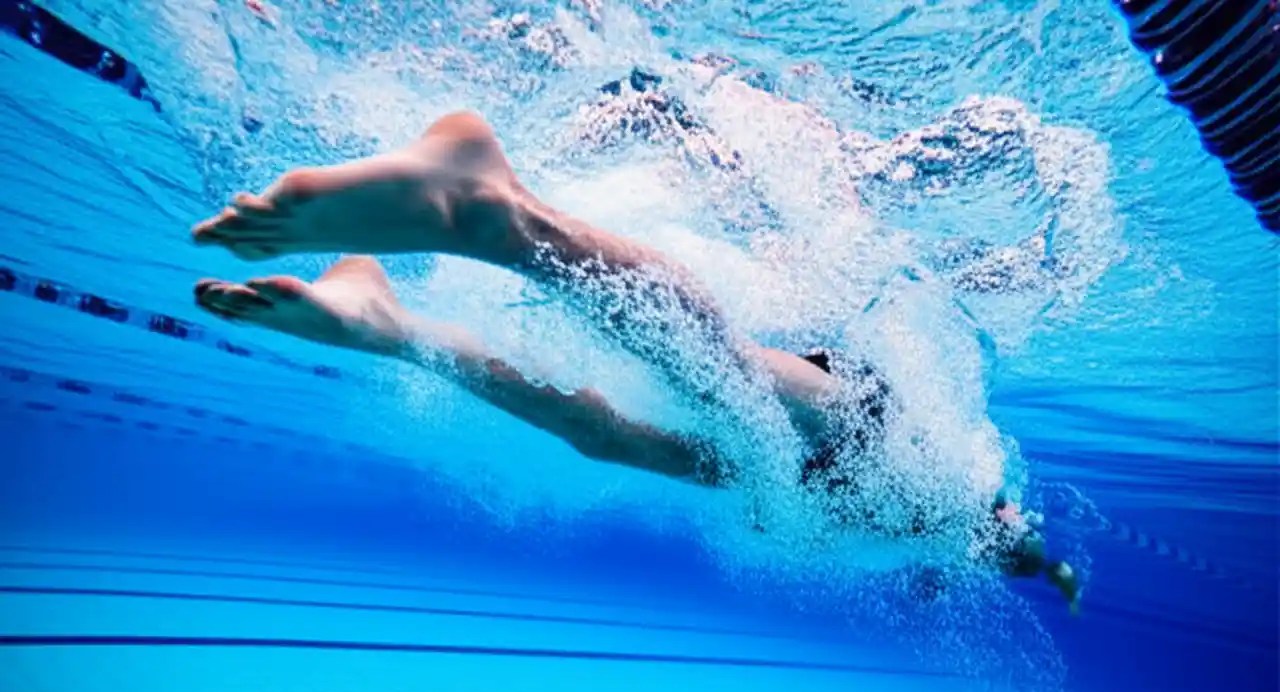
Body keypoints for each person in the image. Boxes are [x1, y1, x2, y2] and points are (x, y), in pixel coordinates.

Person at [190, 110, 1080, 610]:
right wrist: (1057, 572)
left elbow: (939, 548)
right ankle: (502, 215)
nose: (1004, 555)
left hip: (795, 483)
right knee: (722, 373)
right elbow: (1019, 542)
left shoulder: (938, 548)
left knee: (603, 437)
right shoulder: (978, 500)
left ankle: (391, 328)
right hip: (861, 422)